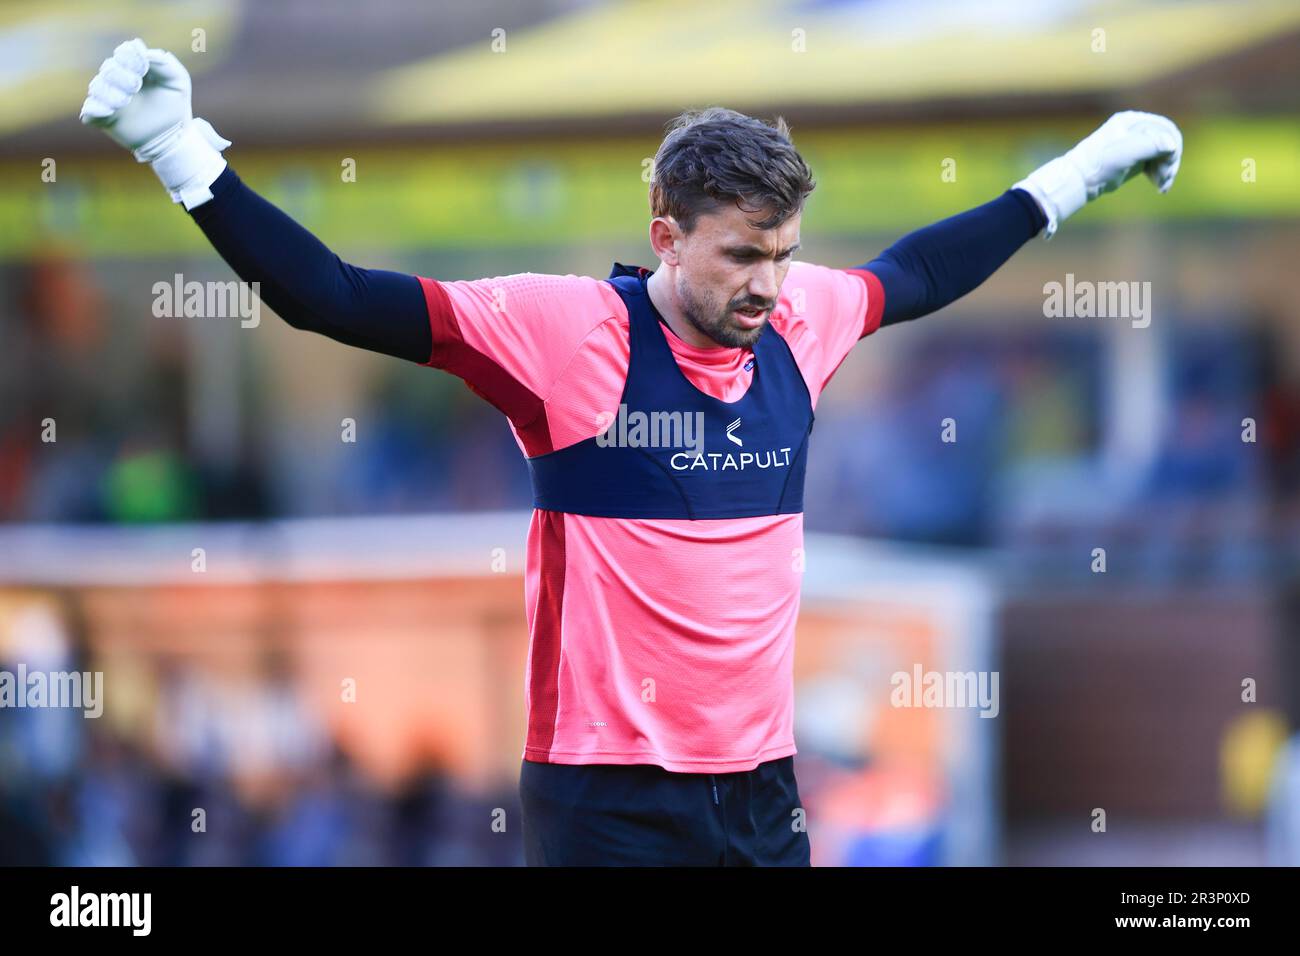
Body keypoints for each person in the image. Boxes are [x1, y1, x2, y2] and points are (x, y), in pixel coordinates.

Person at [80, 38, 1182, 866]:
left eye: (785, 256)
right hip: (605, 802)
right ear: (665, 233)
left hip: (760, 794)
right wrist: (185, 153)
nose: (768, 284)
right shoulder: (565, 336)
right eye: (742, 254)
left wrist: (1085, 165)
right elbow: (332, 297)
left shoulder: (801, 319)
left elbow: (926, 268)